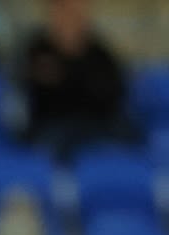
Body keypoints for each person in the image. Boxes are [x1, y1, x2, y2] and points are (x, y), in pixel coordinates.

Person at [17, 0, 140, 160]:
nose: (70, 18)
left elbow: (112, 92)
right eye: (65, 10)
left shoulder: (99, 52)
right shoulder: (37, 49)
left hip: (98, 123)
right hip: (53, 125)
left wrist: (65, 76)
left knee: (130, 136)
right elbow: (31, 93)